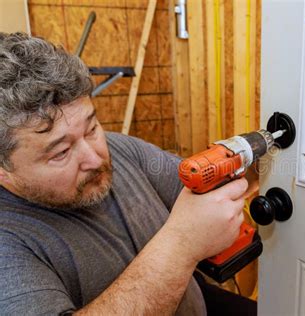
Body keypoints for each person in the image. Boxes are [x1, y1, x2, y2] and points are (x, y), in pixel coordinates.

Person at [0, 32, 257, 315]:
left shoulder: (121, 148)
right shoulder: (8, 242)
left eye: (92, 127)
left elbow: (202, 185)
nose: (94, 157)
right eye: (61, 152)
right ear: (4, 171)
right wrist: (182, 244)